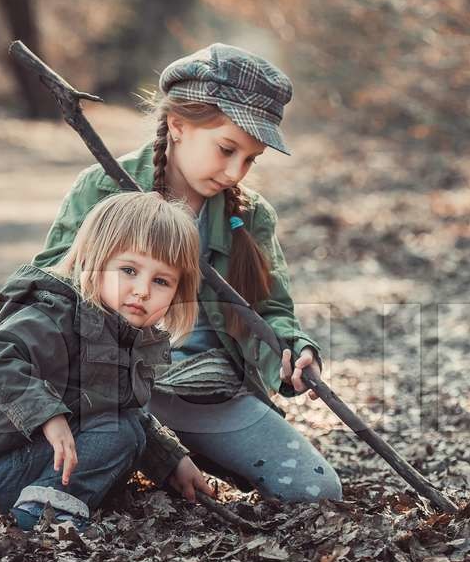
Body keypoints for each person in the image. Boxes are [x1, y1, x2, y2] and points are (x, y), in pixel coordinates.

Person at [33, 43, 343, 503]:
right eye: (226, 149)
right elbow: (46, 292)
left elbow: (271, 310)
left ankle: (182, 453)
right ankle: (145, 454)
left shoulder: (250, 216)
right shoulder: (102, 187)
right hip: (109, 393)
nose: (236, 172)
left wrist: (294, 351)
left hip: (207, 390)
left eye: (250, 158)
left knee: (316, 491)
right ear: (177, 124)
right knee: (77, 485)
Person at [0, 192, 213, 530]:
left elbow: (126, 409)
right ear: (93, 259)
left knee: (126, 428)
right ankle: (41, 512)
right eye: (129, 270)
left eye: (161, 281)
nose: (143, 290)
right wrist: (48, 416)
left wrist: (172, 461)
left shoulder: (124, 331)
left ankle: (54, 499)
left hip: (29, 458)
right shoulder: (56, 310)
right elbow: (0, 356)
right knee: (120, 432)